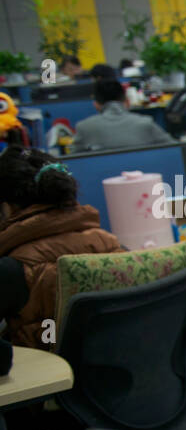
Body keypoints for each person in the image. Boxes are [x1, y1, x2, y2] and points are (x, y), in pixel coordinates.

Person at [0, 146, 122, 349]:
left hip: (47, 378)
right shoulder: (112, 245)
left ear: (7, 208)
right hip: (120, 371)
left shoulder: (13, 270)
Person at [68, 78, 175, 153]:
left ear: (96, 105)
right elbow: (175, 148)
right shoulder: (145, 123)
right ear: (127, 102)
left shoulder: (84, 127)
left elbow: (72, 163)